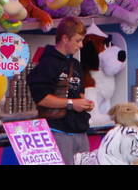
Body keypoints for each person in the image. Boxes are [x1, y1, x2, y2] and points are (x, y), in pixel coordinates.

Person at [28, 16, 94, 164]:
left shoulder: (75, 64)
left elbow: (79, 94)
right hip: (58, 131)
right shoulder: (47, 63)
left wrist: (85, 103)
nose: (81, 45)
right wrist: (71, 103)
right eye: (77, 40)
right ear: (65, 38)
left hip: (79, 129)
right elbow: (41, 98)